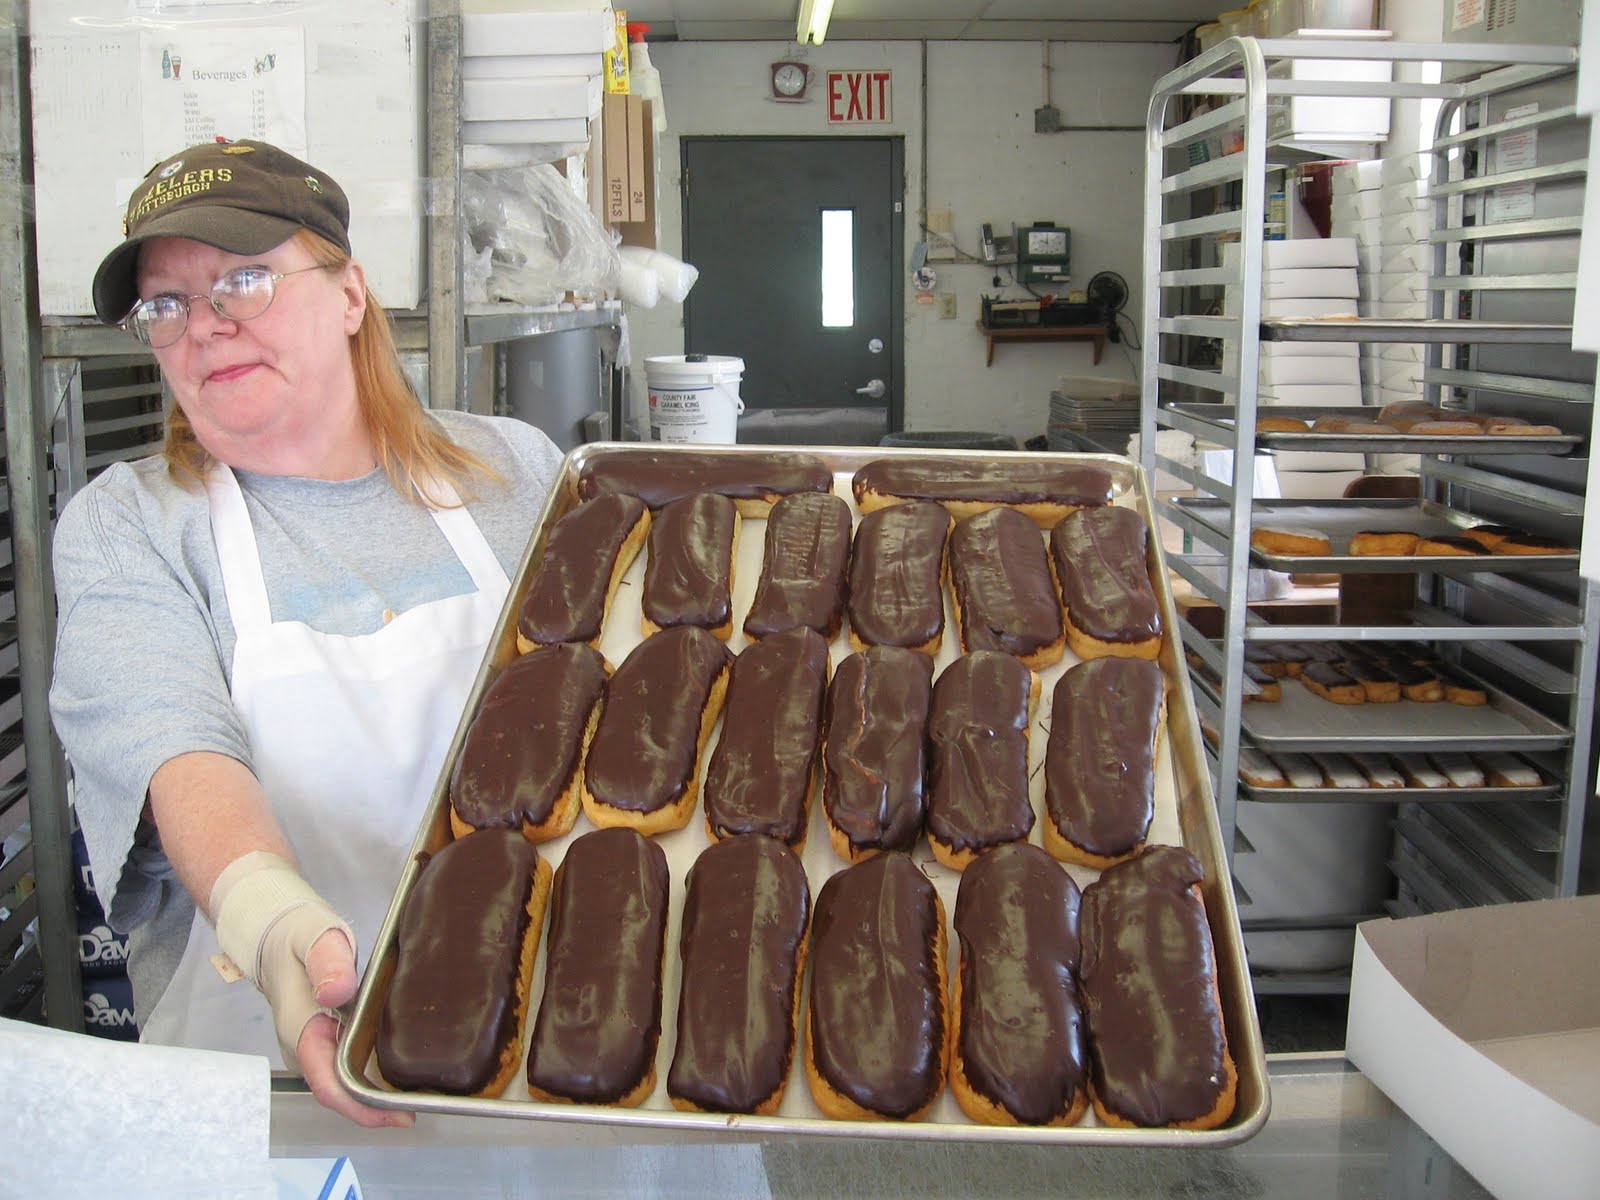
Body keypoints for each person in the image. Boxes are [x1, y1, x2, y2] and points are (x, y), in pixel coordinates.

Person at [50, 138, 565, 1126]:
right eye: (166, 304)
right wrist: (273, 922)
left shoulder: (518, 469)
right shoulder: (131, 525)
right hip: (271, 1064)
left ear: (349, 293)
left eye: (244, 280)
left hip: (552, 1027)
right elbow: (178, 747)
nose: (202, 328)